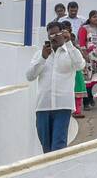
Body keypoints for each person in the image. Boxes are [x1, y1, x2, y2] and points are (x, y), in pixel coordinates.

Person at [26, 20, 85, 153]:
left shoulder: (70, 52)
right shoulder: (40, 54)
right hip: (43, 107)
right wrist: (42, 58)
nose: (53, 38)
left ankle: (58, 172)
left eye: (56, 34)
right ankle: (50, 173)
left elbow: (80, 65)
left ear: (63, 33)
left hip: (63, 106)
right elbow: (29, 76)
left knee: (58, 145)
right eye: (50, 36)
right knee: (46, 147)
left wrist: (69, 43)